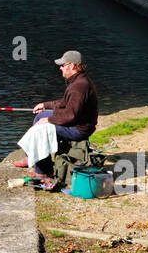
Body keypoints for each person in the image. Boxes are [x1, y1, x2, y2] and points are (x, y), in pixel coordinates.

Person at [14, 50, 99, 186]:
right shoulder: (77, 80)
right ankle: (35, 159)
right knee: (39, 117)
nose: (60, 68)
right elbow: (65, 103)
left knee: (41, 128)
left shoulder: (79, 86)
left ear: (71, 66)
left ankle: (43, 172)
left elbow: (71, 115)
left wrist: (49, 120)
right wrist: (45, 105)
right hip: (76, 122)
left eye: (62, 65)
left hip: (79, 129)